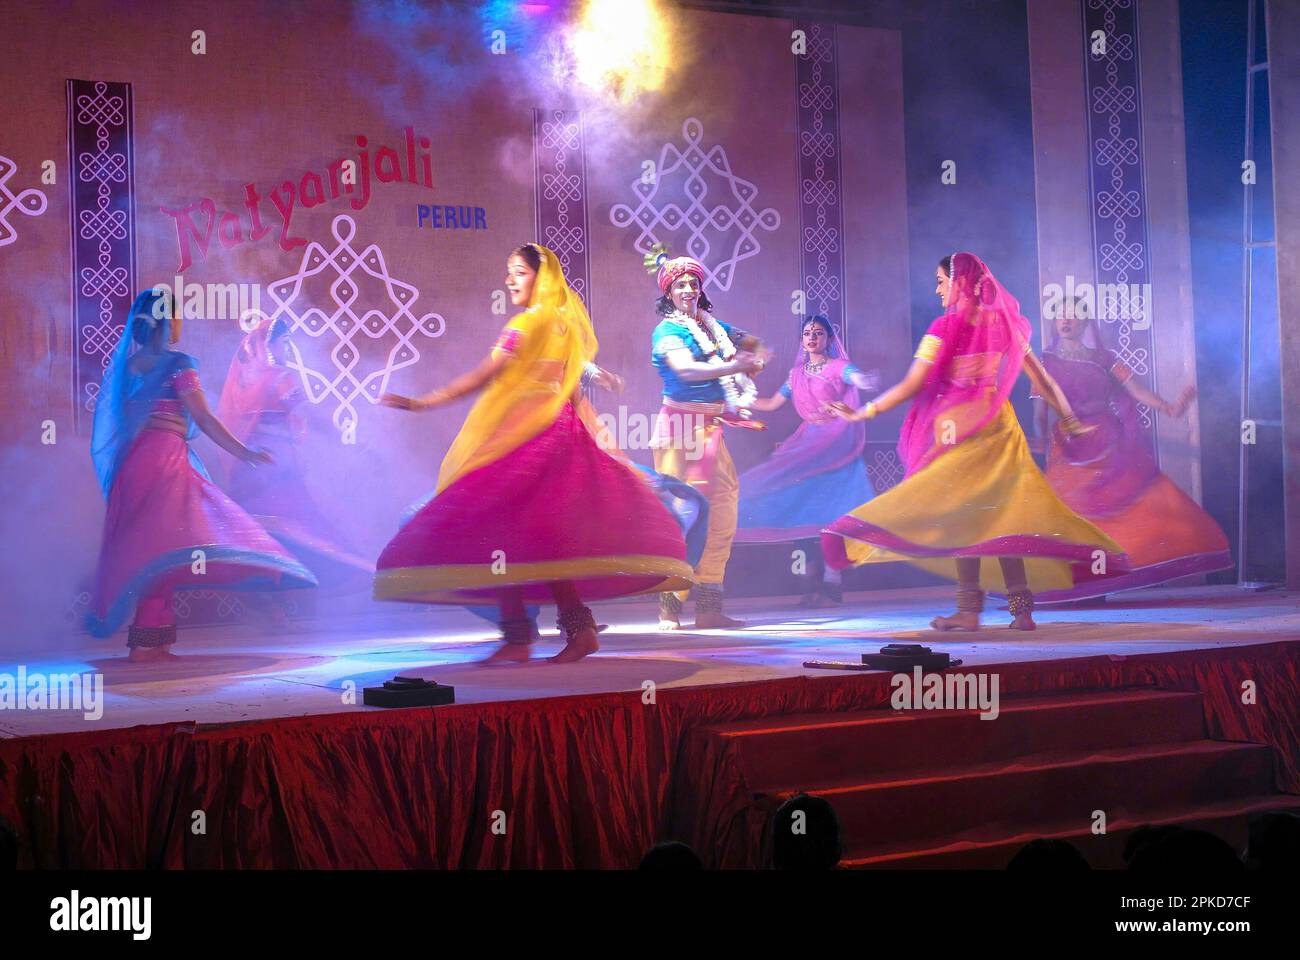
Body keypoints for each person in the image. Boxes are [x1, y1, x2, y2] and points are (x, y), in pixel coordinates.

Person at [375, 243, 694, 663]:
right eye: (508, 272)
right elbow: (577, 397)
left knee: (508, 532)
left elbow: (482, 377)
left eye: (519, 272)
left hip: (528, 440)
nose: (509, 280)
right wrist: (609, 449)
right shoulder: (564, 327)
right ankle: (542, 635)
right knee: (529, 537)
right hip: (559, 435)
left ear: (540, 278)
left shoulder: (527, 324)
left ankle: (535, 636)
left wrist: (423, 403)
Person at [821, 253, 1126, 631]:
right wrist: (1069, 417)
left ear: (959, 282)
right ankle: (1019, 611)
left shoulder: (943, 328)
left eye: (940, 281)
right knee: (1001, 517)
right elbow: (1044, 381)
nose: (936, 290)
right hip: (998, 428)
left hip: (959, 429)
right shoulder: (1006, 325)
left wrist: (863, 412)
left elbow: (912, 384)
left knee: (963, 515)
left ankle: (971, 611)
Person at [87, 289, 317, 659]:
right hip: (165, 461)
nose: (181, 322)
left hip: (134, 466)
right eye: (176, 315)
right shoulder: (179, 364)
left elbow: (122, 424)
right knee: (190, 535)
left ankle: (150, 640)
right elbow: (206, 420)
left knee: (153, 550)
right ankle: (150, 643)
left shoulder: (128, 368)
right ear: (166, 320)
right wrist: (246, 452)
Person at [1031, 297, 1231, 601]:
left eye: (1073, 316)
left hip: (1106, 442)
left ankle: (1101, 581)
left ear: (1085, 322)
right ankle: (1073, 584)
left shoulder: (1104, 359)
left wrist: (1169, 407)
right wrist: (1042, 441)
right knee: (1069, 514)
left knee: (1128, 507)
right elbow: (1040, 411)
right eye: (1061, 315)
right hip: (1067, 447)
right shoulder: (1044, 362)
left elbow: (1134, 388)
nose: (1066, 320)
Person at [645, 247, 771, 629]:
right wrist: (735, 365)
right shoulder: (666, 331)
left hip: (713, 429)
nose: (688, 290)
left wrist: (754, 363)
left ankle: (709, 607)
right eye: (680, 285)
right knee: (683, 514)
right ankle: (669, 606)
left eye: (693, 284)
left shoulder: (714, 327)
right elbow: (686, 372)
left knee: (722, 513)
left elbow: (757, 345)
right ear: (668, 293)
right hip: (681, 431)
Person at [216, 317, 373, 594]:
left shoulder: (247, 382)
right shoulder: (280, 377)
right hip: (277, 471)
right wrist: (342, 438)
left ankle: (271, 606)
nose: (288, 349)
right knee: (308, 527)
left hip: (251, 470)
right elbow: (307, 413)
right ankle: (348, 580)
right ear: (268, 345)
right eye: (284, 342)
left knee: (262, 537)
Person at [737, 314, 880, 606]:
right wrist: (735, 398)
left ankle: (832, 583)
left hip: (836, 444)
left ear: (828, 338)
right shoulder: (796, 375)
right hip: (807, 445)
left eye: (818, 333)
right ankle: (812, 585)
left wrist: (866, 380)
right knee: (803, 510)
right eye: (806, 333)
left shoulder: (840, 367)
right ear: (802, 340)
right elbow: (772, 404)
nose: (812, 337)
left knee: (833, 514)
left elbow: (857, 378)